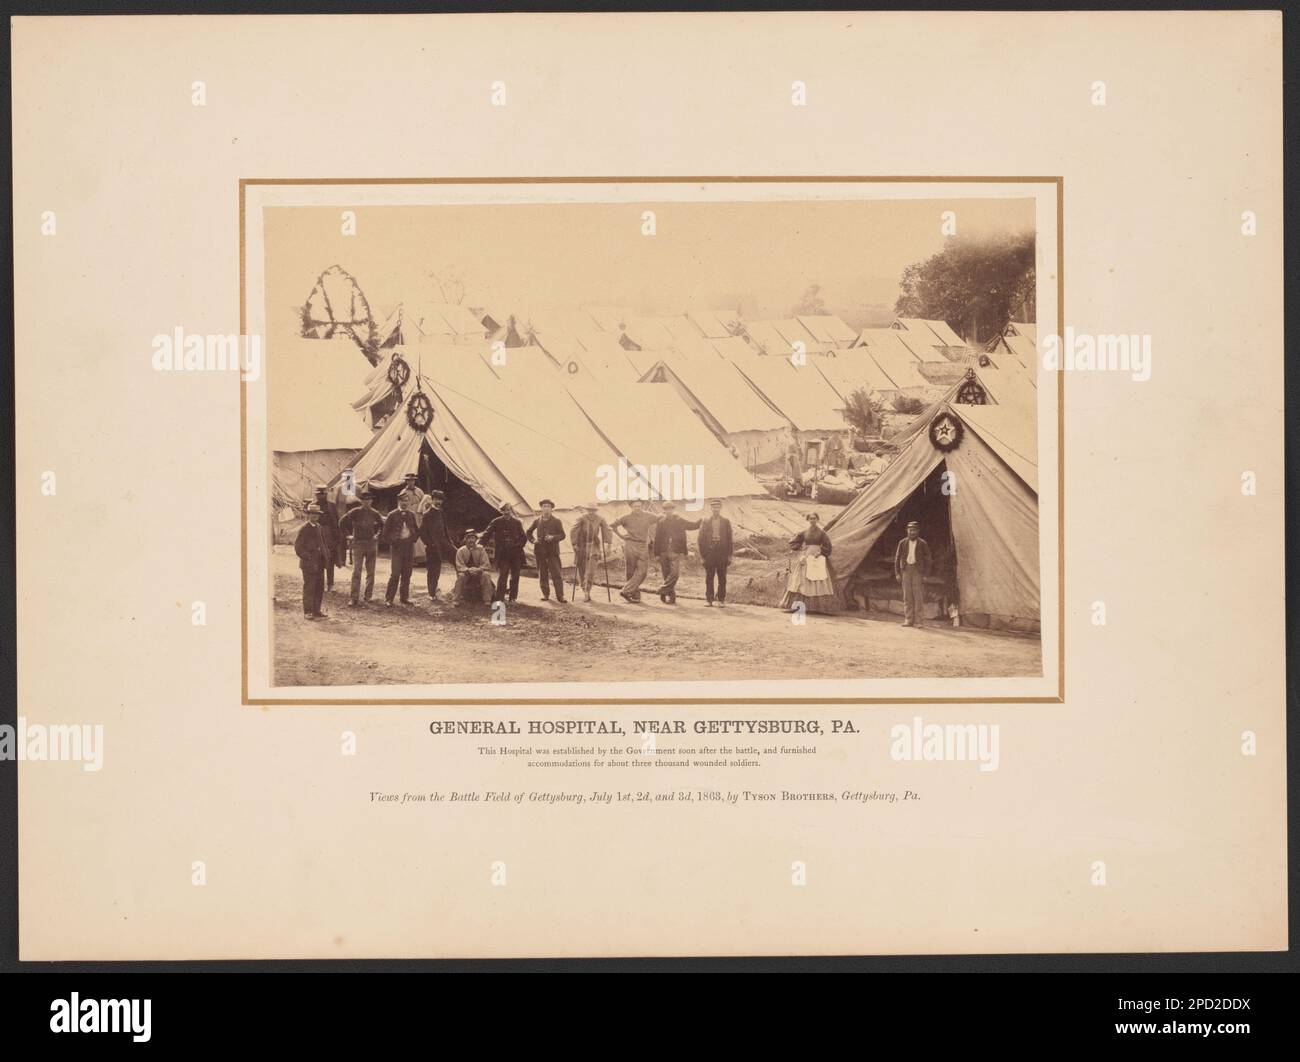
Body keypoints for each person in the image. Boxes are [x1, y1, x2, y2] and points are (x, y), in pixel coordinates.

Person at [780, 511, 838, 614]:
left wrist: (820, 552)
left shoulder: (822, 533)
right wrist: (801, 548)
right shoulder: (804, 532)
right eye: (810, 518)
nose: (812, 520)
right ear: (808, 520)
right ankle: (796, 606)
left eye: (814, 518)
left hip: (817, 557)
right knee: (801, 580)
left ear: (817, 520)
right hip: (806, 556)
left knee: (818, 579)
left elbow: (828, 546)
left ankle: (819, 608)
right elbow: (794, 542)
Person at [338, 487, 384, 606]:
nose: (367, 502)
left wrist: (377, 535)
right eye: (364, 500)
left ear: (371, 501)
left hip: (371, 545)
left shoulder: (375, 513)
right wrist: (348, 535)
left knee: (371, 572)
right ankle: (354, 598)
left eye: (369, 500)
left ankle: (368, 596)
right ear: (361, 501)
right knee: (356, 571)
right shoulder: (355, 512)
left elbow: (382, 526)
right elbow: (341, 523)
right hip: (358, 544)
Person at [651, 500, 701, 605]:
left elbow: (692, 526)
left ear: (673, 509)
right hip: (663, 551)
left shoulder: (679, 520)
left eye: (670, 509)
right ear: (664, 510)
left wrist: (702, 520)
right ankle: (671, 596)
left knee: (674, 574)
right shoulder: (661, 522)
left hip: (675, 551)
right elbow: (657, 539)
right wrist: (656, 554)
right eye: (666, 509)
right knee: (666, 574)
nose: (668, 511)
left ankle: (662, 590)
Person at [481, 502, 528, 603]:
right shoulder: (496, 521)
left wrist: (516, 545)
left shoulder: (517, 522)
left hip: (516, 554)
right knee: (503, 575)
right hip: (503, 555)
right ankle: (500, 598)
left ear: (511, 510)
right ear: (501, 511)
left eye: (508, 510)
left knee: (515, 576)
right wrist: (480, 544)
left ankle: (513, 598)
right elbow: (486, 533)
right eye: (504, 510)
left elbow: (523, 538)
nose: (506, 512)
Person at [611, 498, 656, 602]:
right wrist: (621, 536)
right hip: (630, 545)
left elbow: (659, 518)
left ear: (642, 506)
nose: (637, 508)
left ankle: (626, 591)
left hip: (642, 545)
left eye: (639, 506)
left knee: (643, 571)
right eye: (635, 506)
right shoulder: (626, 517)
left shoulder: (648, 515)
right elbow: (613, 526)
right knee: (630, 571)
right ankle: (634, 595)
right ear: (631, 507)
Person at [382, 490, 420, 606]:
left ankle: (404, 598)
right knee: (395, 574)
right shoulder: (392, 515)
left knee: (407, 573)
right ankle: (389, 599)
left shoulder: (411, 515)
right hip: (397, 548)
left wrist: (412, 539)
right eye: (402, 501)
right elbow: (385, 533)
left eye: (407, 501)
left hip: (408, 547)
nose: (405, 503)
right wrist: (393, 541)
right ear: (398, 501)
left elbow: (416, 530)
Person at [294, 504, 332, 620]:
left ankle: (317, 610)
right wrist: (308, 557)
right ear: (308, 515)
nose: (315, 516)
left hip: (319, 563)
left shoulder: (319, 527)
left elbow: (323, 543)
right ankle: (308, 612)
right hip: (309, 564)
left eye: (317, 514)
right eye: (312, 514)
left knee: (319, 587)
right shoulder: (305, 528)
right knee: (309, 587)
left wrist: (326, 556)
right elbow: (298, 547)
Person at [525, 499, 567, 603]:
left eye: (548, 506)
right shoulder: (537, 521)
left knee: (556, 573)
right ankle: (545, 594)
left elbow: (563, 535)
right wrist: (533, 540)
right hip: (540, 551)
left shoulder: (557, 521)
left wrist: (553, 537)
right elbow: (528, 532)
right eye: (544, 506)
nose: (546, 508)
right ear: (541, 508)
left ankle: (560, 596)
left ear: (551, 508)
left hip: (553, 551)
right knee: (542, 573)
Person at [418, 490, 457, 600]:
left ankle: (460, 589)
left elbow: (445, 529)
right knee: (434, 570)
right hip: (434, 547)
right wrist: (430, 544)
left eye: (440, 500)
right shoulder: (427, 515)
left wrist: (450, 542)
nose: (438, 502)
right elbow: (422, 533)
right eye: (436, 499)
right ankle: (432, 593)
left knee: (459, 560)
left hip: (445, 543)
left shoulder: (441, 513)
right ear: (432, 499)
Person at [570, 503, 613, 602]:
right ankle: (584, 588)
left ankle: (587, 591)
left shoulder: (600, 519)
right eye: (589, 510)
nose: (591, 512)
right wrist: (574, 544)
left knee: (590, 570)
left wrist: (609, 545)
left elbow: (608, 530)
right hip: (582, 546)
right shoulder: (581, 518)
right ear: (586, 510)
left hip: (594, 546)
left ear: (596, 511)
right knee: (581, 569)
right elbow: (574, 530)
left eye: (593, 510)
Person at [894, 519, 932, 628]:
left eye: (914, 530)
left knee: (918, 596)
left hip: (918, 571)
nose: (912, 532)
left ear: (918, 531)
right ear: (907, 531)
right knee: (907, 596)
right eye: (910, 530)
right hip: (905, 570)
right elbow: (897, 558)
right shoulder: (902, 543)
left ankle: (919, 621)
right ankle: (908, 620)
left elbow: (929, 560)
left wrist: (926, 574)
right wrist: (897, 573)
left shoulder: (923, 543)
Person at [696, 498, 733, 607]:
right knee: (709, 577)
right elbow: (700, 539)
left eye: (718, 507)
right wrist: (702, 555)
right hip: (710, 552)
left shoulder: (726, 521)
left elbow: (730, 539)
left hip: (722, 552)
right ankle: (709, 599)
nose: (716, 509)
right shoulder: (706, 521)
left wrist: (730, 555)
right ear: (711, 508)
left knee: (722, 577)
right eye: (713, 507)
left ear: (720, 508)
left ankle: (721, 599)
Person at [453, 530, 495, 605]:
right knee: (461, 576)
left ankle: (487, 599)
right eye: (468, 538)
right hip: (466, 572)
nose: (470, 540)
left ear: (476, 539)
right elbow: (459, 565)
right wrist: (467, 570)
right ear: (465, 539)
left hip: (479, 571)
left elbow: (486, 563)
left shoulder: (481, 549)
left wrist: (479, 569)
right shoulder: (461, 550)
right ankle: (456, 599)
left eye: (473, 538)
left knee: (486, 575)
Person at [312, 485, 341, 590]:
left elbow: (337, 521)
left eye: (323, 494)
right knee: (318, 559)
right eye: (319, 494)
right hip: (316, 535)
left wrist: (337, 537)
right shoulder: (313, 506)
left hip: (329, 536)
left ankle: (330, 584)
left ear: (326, 494)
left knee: (330, 560)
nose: (321, 496)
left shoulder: (332, 506)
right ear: (316, 495)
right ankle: (318, 584)